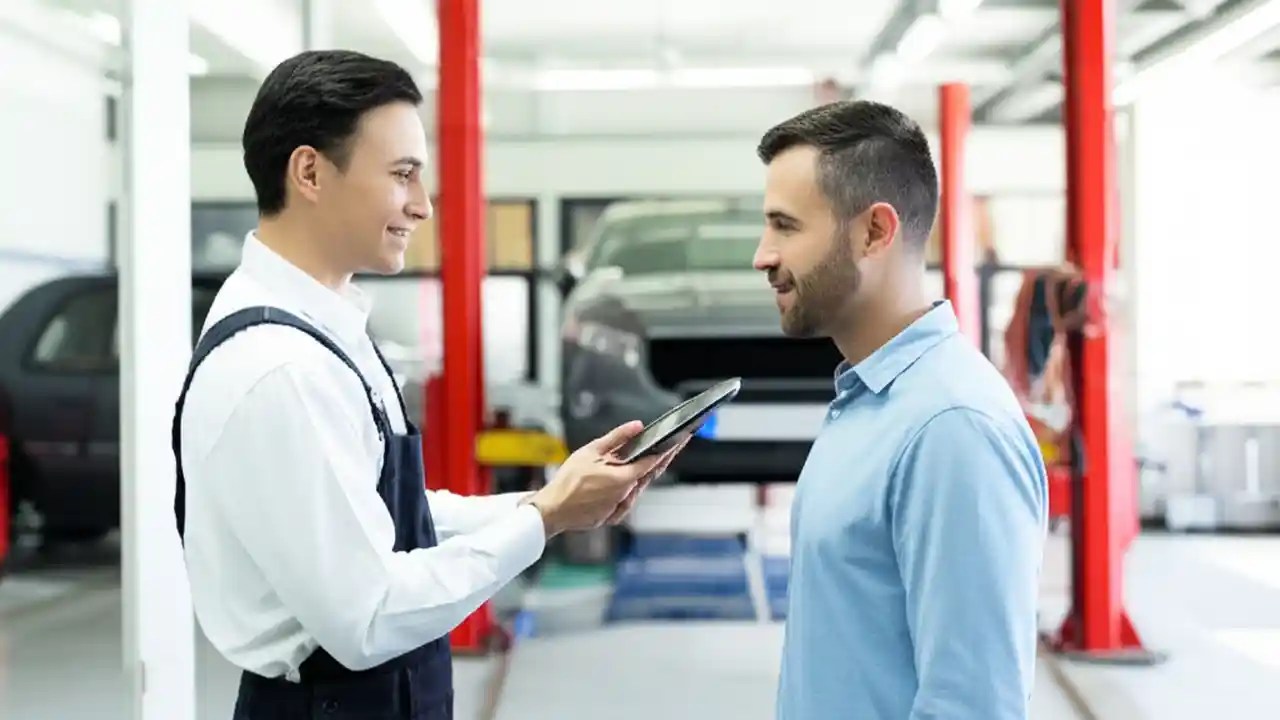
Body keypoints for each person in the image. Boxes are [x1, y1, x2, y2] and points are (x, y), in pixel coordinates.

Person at [172, 49, 681, 719]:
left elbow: (386, 515)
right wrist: (545, 519)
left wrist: (551, 500)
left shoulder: (330, 331)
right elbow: (368, 616)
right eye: (403, 174)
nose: (423, 206)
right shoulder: (281, 370)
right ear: (310, 172)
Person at [753, 100, 1048, 719]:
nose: (763, 255)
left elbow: (973, 704)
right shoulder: (867, 403)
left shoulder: (951, 427)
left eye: (786, 226)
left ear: (874, 232)